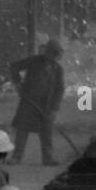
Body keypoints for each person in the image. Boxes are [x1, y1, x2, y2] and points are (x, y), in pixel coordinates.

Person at [9, 38, 65, 166]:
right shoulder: (34, 61)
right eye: (52, 53)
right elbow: (14, 67)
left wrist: (54, 109)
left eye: (57, 55)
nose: (54, 57)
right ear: (47, 52)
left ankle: (48, 159)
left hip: (46, 105)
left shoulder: (58, 69)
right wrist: (18, 83)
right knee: (22, 129)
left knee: (47, 132)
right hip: (29, 101)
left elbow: (59, 90)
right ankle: (17, 157)